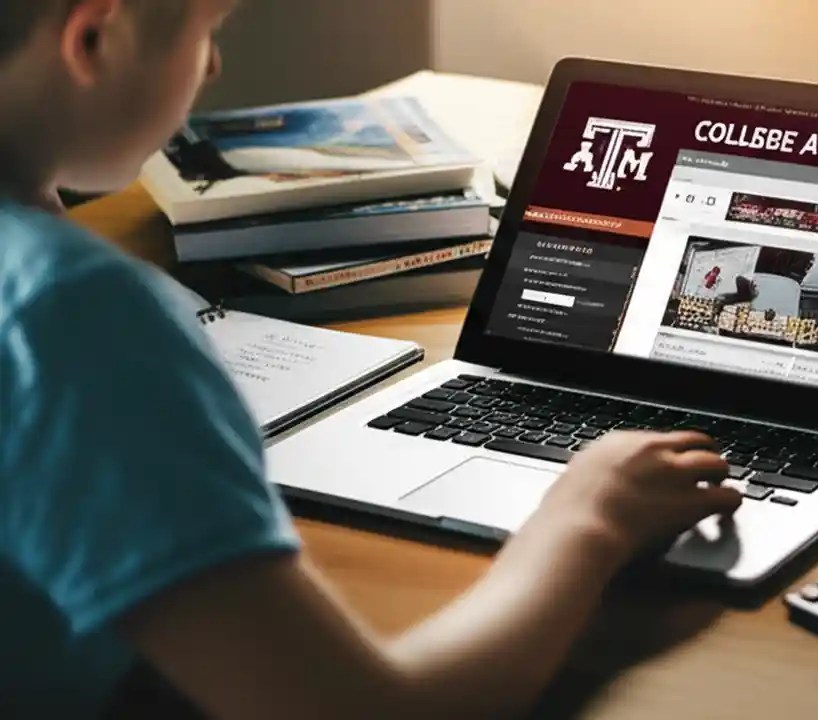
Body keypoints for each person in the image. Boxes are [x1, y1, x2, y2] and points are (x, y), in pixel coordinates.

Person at [0, 2, 742, 717]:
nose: (216, 63)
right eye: (207, 29)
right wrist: (590, 520)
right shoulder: (71, 312)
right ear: (93, 39)